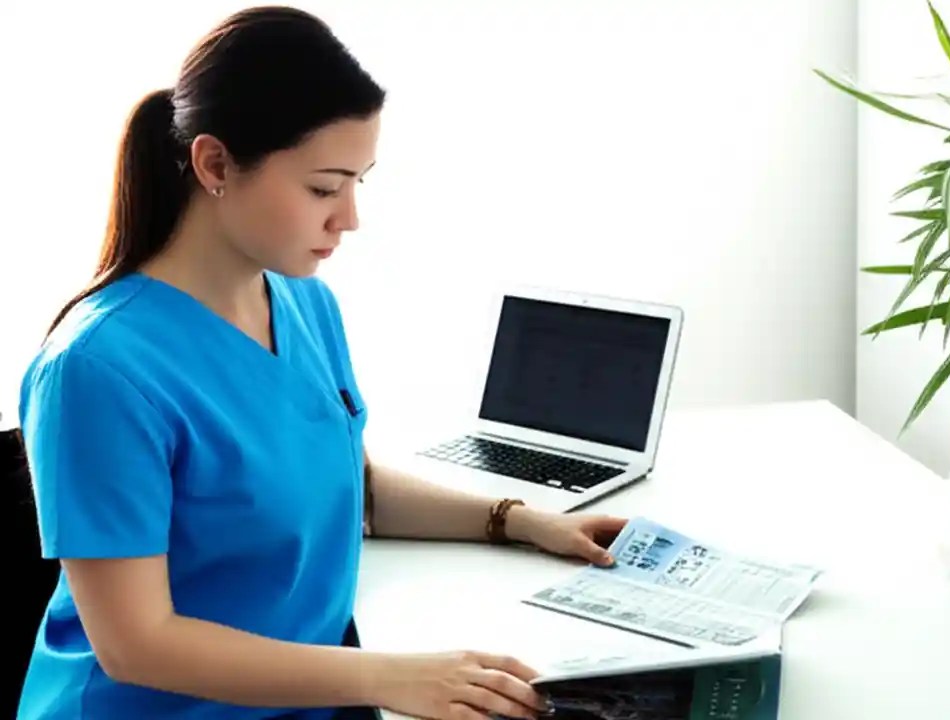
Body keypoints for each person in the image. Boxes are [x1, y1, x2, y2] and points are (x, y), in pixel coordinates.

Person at [15, 7, 626, 720]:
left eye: (359, 182)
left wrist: (520, 520)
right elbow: (137, 646)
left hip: (315, 699)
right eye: (323, 187)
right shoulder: (96, 372)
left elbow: (349, 482)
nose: (350, 218)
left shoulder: (304, 303)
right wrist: (384, 679)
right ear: (214, 165)